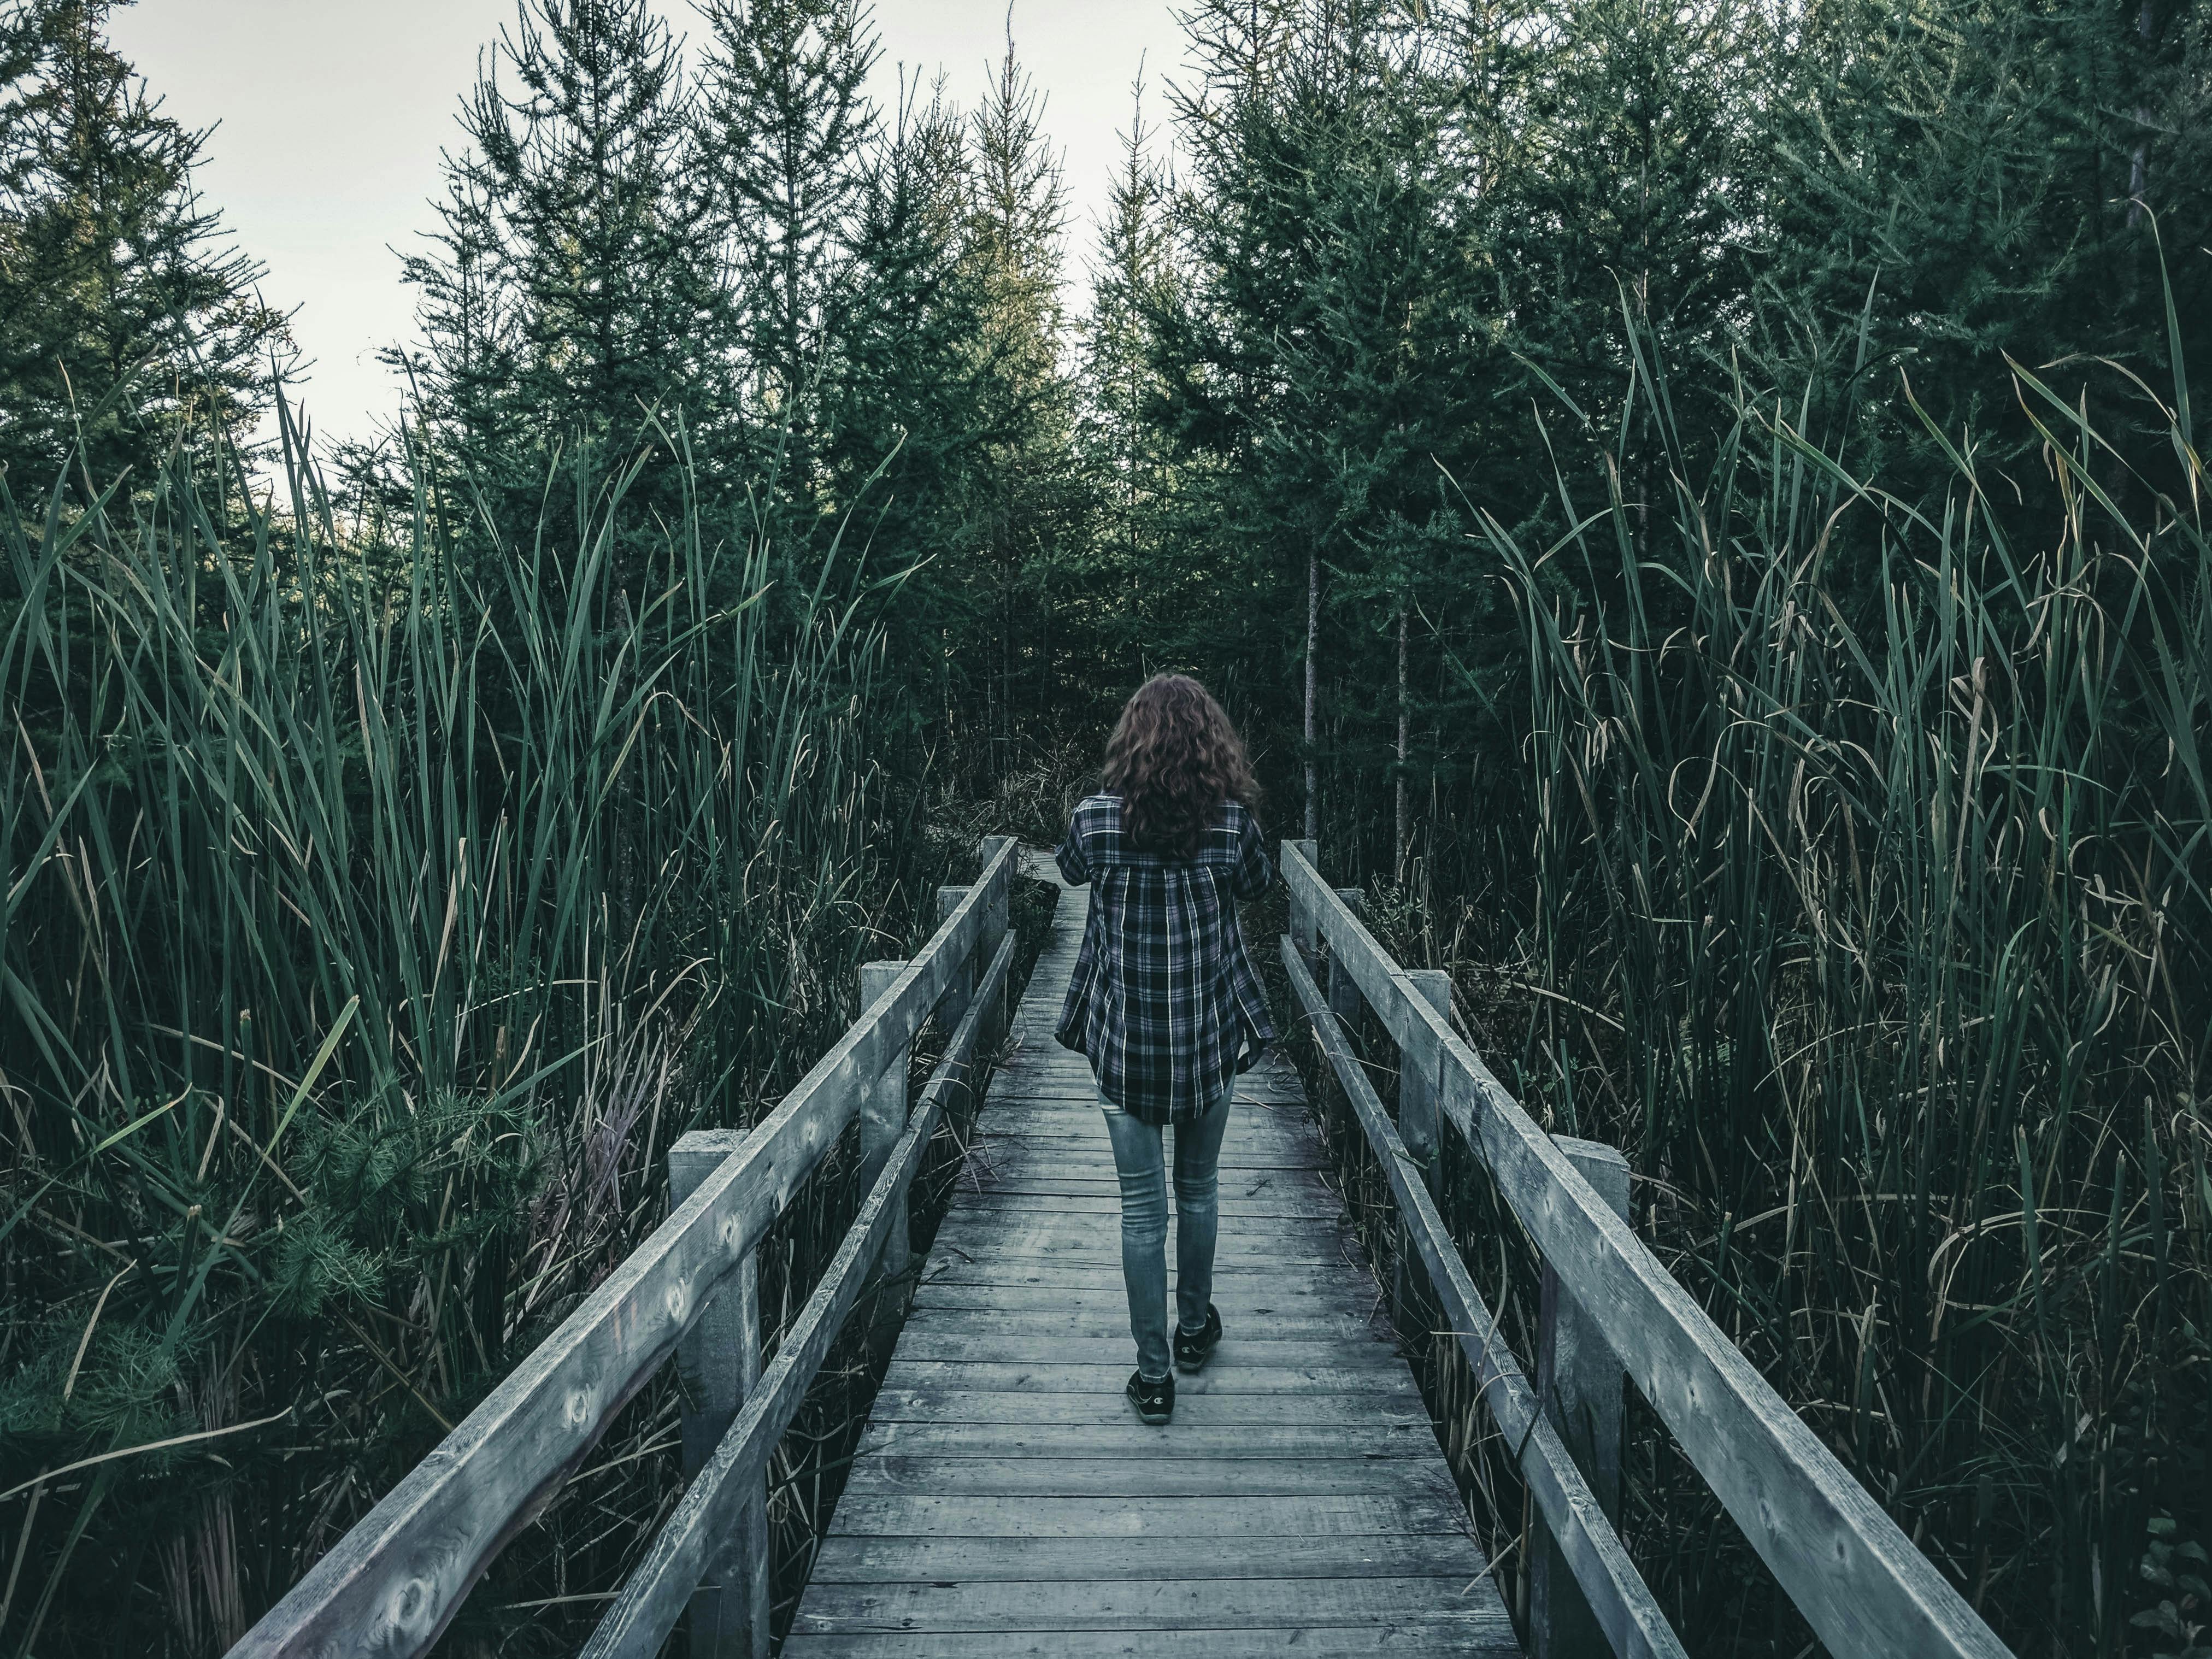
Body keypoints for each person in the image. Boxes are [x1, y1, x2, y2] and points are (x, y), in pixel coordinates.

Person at [1052, 673, 1276, 1425]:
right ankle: (1193, 1330)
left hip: (1126, 1048)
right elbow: (1258, 884)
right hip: (1207, 1043)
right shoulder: (1232, 825)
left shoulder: (1096, 821)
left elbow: (1069, 869)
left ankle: (1153, 1378)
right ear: (1212, 745)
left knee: (1142, 1213)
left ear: (1133, 741)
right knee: (1200, 1190)